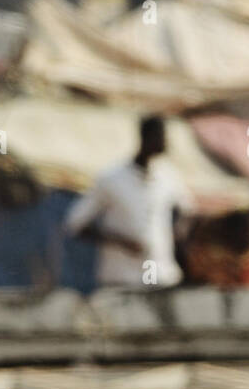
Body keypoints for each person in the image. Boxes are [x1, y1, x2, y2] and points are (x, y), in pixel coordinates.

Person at [63, 115, 192, 289]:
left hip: (159, 276)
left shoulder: (168, 177)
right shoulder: (112, 178)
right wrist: (121, 241)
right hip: (122, 277)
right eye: (162, 136)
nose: (166, 142)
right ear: (147, 137)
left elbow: (185, 209)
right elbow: (75, 223)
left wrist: (177, 231)